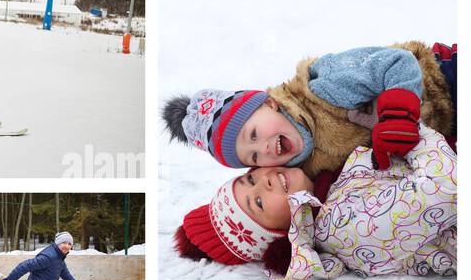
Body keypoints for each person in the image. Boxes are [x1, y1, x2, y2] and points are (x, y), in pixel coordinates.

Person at [173, 120, 455, 280]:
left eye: (249, 180)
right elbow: (449, 187)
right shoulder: (348, 230)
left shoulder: (332, 188)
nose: (265, 180)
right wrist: (411, 129)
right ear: (281, 234)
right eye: (258, 202)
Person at [161, 40, 457, 177]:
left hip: (442, 84)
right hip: (441, 143)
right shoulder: (296, 169)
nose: (263, 148)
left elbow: (395, 62)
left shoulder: (322, 89)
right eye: (252, 156)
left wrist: (398, 114)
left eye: (254, 133)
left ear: (270, 103)